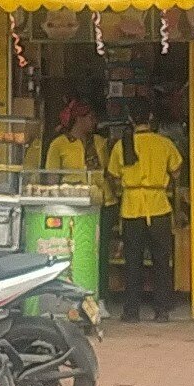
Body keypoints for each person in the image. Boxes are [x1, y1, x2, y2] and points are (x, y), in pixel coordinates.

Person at [107, 98, 182, 323]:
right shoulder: (164, 143)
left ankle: (131, 312)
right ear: (150, 118)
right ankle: (162, 311)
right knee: (161, 260)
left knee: (133, 260)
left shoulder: (123, 145)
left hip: (132, 208)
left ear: (130, 119)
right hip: (159, 206)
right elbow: (177, 172)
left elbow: (112, 176)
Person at [45, 99, 117, 304]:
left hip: (103, 203)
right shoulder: (59, 144)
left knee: (100, 252)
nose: (94, 122)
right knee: (71, 250)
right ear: (79, 119)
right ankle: (71, 293)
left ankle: (99, 296)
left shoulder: (100, 143)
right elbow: (52, 178)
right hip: (72, 206)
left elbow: (109, 171)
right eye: (91, 118)